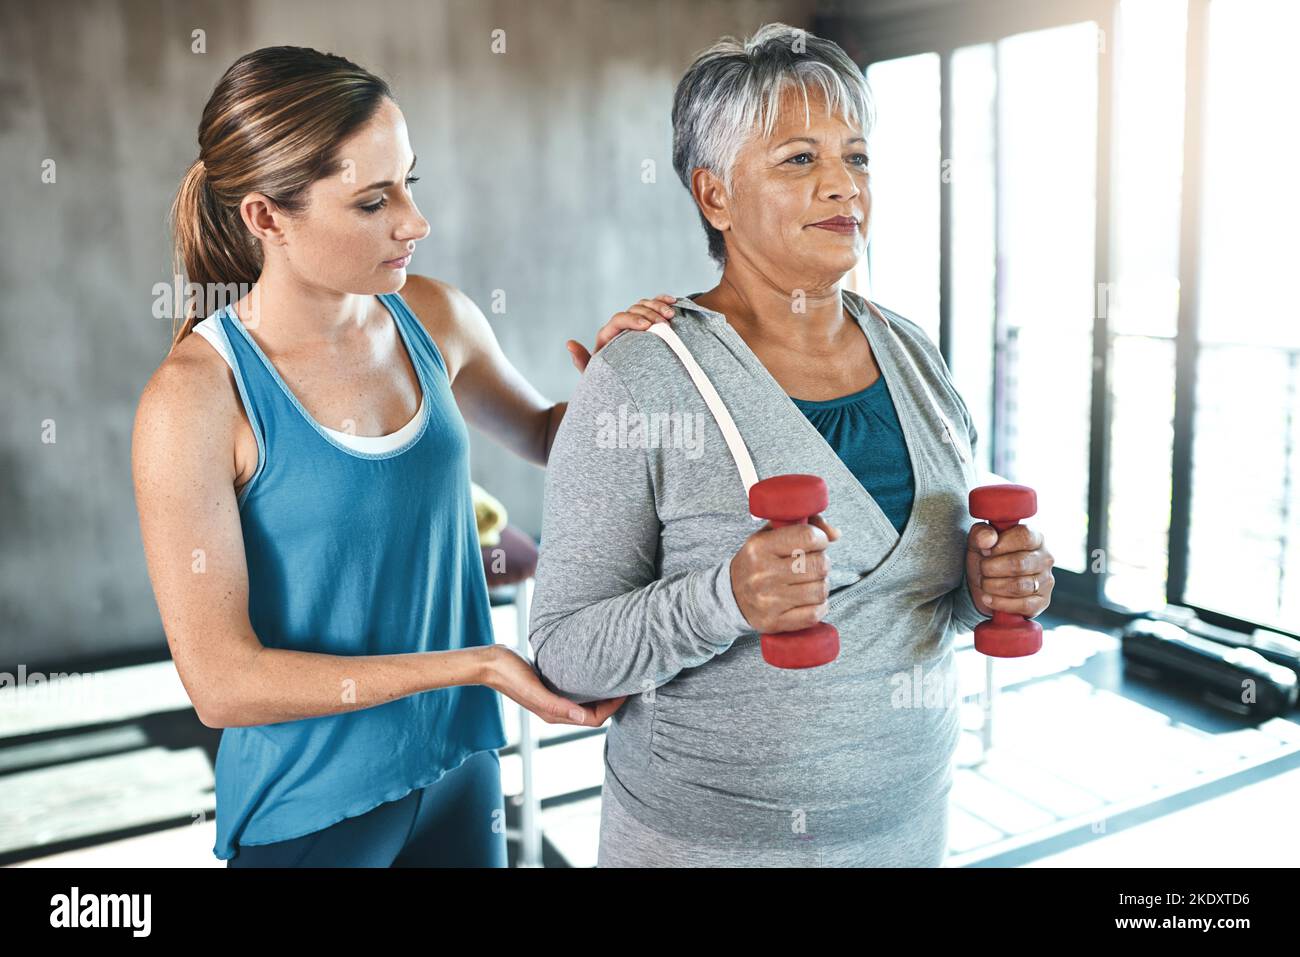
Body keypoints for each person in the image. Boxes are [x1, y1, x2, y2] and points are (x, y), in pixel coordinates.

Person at [528, 23, 1056, 867]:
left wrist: (990, 582)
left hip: (909, 827)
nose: (844, 185)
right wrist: (726, 598)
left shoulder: (914, 353)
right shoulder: (643, 375)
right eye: (800, 161)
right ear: (715, 197)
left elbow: (913, 605)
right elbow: (565, 654)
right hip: (703, 844)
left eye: (858, 157)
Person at [131, 45, 670, 866]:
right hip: (310, 810)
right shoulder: (196, 398)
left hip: (460, 775)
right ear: (266, 218)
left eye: (410, 185)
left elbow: (545, 435)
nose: (414, 223)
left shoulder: (433, 316)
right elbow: (222, 683)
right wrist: (478, 664)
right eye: (373, 201)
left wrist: (622, 387)